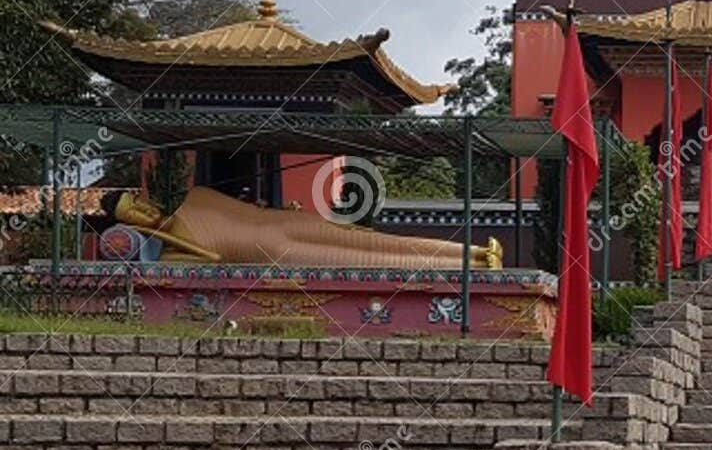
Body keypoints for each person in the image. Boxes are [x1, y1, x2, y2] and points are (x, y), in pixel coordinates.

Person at [102, 188, 502, 270]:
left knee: (375, 239)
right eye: (132, 213)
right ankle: (473, 267)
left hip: (281, 223)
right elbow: (214, 259)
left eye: (138, 201)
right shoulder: (175, 248)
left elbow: (245, 208)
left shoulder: (196, 197)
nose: (143, 210)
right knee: (375, 260)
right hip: (275, 254)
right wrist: (166, 236)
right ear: (130, 225)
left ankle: (474, 252)